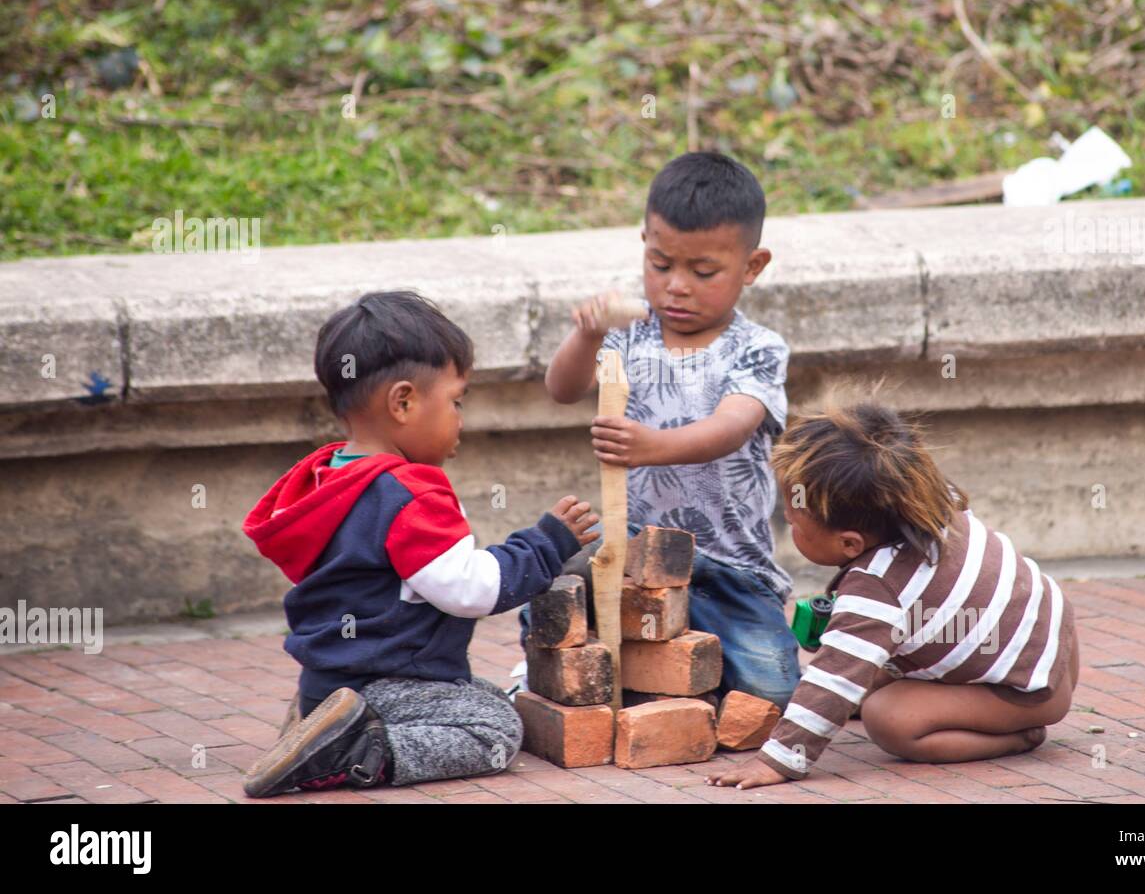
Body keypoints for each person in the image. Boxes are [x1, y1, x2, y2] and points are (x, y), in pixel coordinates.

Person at [241, 290, 597, 797]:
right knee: (494, 727)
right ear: (404, 402)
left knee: (487, 694)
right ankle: (357, 751)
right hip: (386, 681)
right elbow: (467, 590)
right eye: (456, 401)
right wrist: (545, 545)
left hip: (330, 677)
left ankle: (320, 720)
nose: (461, 420)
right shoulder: (409, 492)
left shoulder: (330, 478)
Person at [535, 151, 802, 709]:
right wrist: (585, 336)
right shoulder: (630, 334)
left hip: (729, 566)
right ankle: (609, 674)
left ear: (752, 266)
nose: (676, 286)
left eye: (703, 272)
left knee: (772, 691)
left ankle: (694, 675)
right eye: (660, 265)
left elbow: (732, 426)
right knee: (567, 612)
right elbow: (561, 389)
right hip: (635, 557)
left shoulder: (757, 348)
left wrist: (653, 447)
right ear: (644, 245)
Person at [708, 398, 1079, 789]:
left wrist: (779, 759)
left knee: (888, 718)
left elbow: (834, 676)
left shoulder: (877, 588)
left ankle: (1019, 737)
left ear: (851, 544)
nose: (789, 525)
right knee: (875, 669)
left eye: (794, 521)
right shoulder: (930, 502)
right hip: (1060, 641)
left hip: (1029, 693)